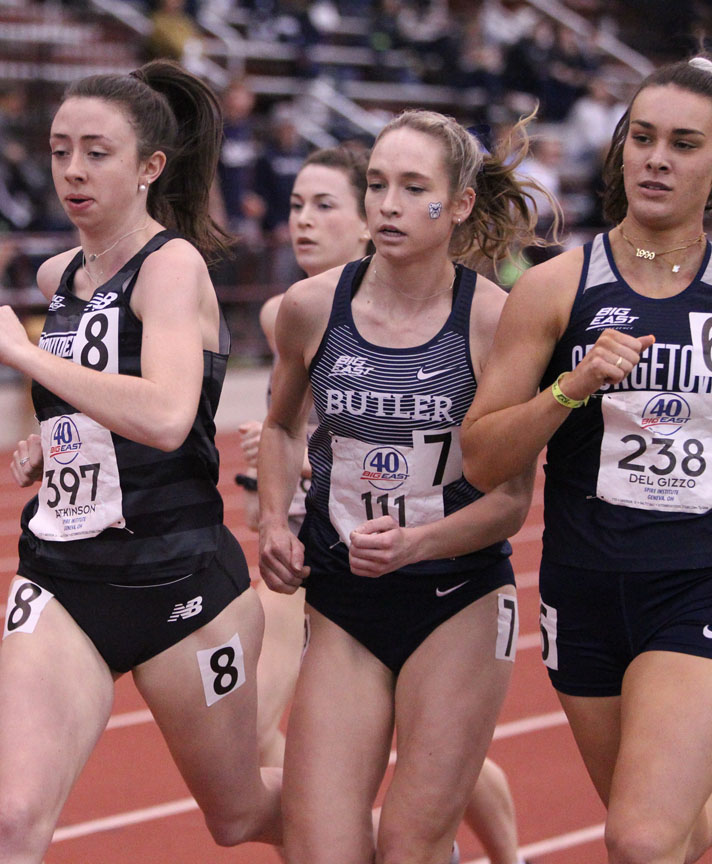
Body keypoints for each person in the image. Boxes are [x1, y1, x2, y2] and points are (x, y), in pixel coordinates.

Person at [0, 59, 284, 862]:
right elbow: (103, 399)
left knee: (239, 815)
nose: (72, 171)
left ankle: (395, 846)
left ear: (150, 168)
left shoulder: (171, 267)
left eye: (96, 153)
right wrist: (56, 435)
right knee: (8, 827)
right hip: (65, 576)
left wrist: (25, 355)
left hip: (178, 584)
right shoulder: (60, 276)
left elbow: (170, 415)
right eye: (59, 150)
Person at [257, 109, 549, 864]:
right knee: (323, 848)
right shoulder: (313, 307)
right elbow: (283, 429)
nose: (385, 204)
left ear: (457, 204)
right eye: (378, 184)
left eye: (411, 187)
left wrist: (417, 542)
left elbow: (512, 501)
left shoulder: (493, 322)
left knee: (411, 847)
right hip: (346, 596)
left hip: (457, 596)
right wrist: (272, 526)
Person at [462, 56, 712, 864]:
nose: (656, 159)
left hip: (696, 584)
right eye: (642, 138)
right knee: (673, 834)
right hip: (586, 592)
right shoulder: (557, 288)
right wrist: (568, 390)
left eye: (683, 143)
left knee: (636, 839)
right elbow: (478, 454)